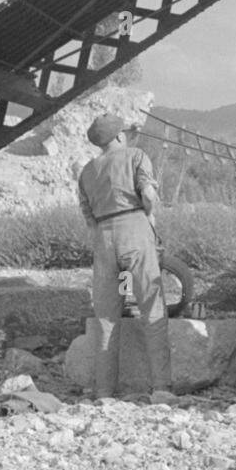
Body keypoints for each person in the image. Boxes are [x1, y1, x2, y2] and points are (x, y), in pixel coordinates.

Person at [78, 114, 173, 401]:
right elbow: (147, 195)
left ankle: (105, 391)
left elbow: (88, 218)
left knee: (107, 317)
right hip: (134, 229)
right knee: (151, 308)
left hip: (104, 239)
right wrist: (149, 215)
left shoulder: (86, 171)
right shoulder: (136, 156)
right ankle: (160, 389)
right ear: (119, 136)